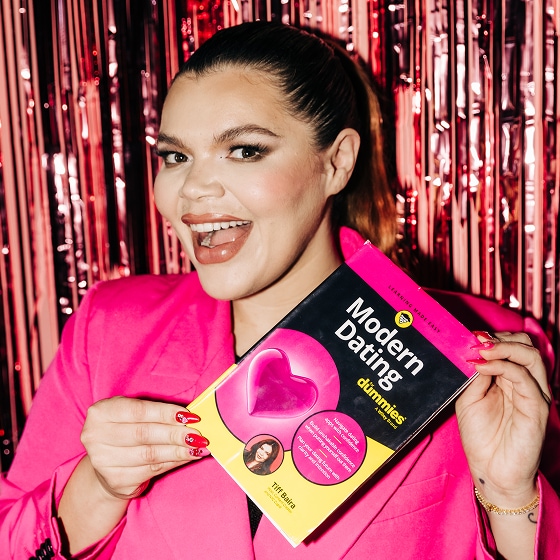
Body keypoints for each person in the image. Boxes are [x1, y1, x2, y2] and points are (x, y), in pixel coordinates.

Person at [1, 20, 559, 559]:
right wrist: (97, 489)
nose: (192, 189)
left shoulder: (481, 355)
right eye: (175, 156)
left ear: (337, 162)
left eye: (244, 150)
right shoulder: (108, 330)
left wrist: (510, 497)